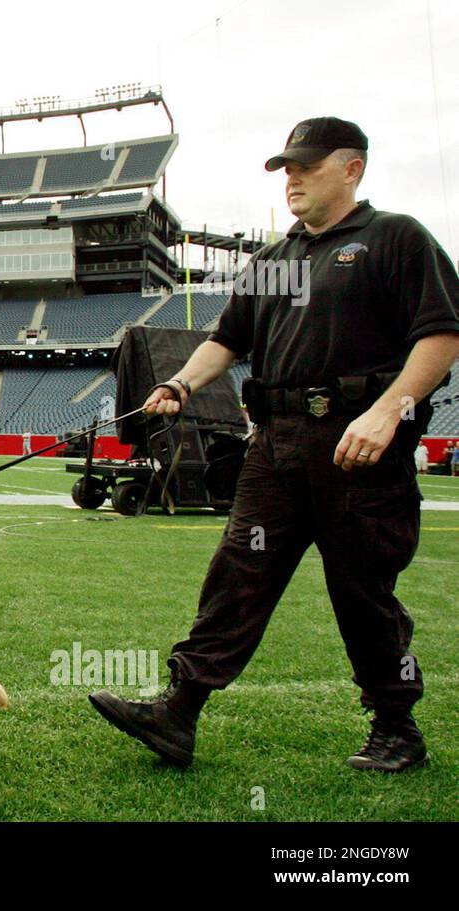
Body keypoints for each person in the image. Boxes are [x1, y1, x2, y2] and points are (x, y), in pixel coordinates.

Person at [89, 117, 459, 773]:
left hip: (358, 445)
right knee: (238, 571)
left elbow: (441, 335)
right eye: (285, 167)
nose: (291, 177)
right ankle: (179, 708)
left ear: (352, 168)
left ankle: (397, 728)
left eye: (305, 165)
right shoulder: (271, 261)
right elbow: (227, 341)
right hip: (277, 443)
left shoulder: (395, 238)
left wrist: (386, 412)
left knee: (361, 589)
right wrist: (178, 381)